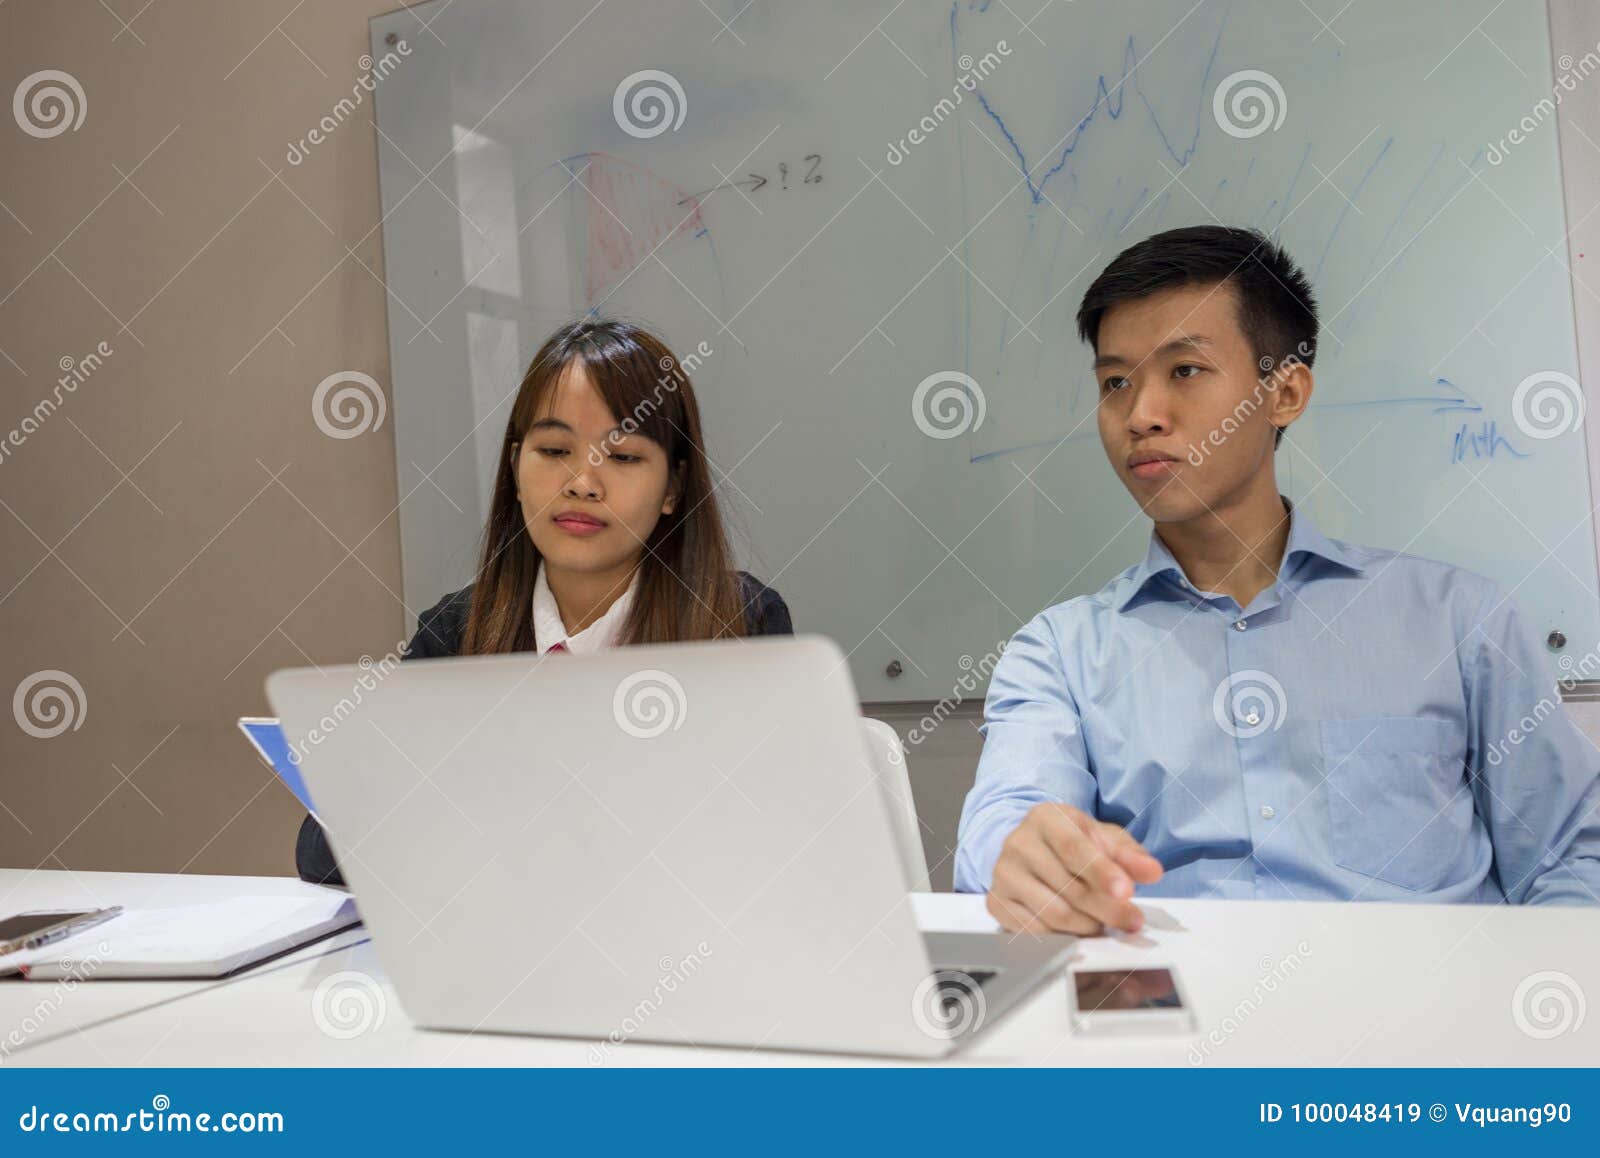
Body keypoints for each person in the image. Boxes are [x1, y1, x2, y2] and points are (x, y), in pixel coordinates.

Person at [956, 225, 1600, 931]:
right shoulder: (1060, 653)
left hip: (1424, 999)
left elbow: (1572, 855)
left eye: (1185, 370)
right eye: (1116, 383)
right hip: (1174, 997)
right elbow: (1006, 828)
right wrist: (1021, 859)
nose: (1140, 416)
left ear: (1284, 392)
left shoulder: (1458, 620)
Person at [296, 318, 791, 885]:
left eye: (624, 457)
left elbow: (772, 840)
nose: (582, 482)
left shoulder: (739, 622)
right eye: (555, 450)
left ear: (673, 488)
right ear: (514, 467)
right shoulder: (456, 632)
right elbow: (323, 856)